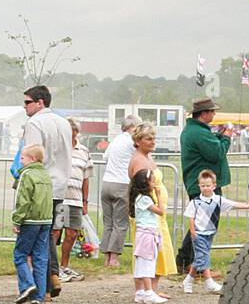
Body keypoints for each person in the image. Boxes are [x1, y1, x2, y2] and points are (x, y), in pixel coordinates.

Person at [21, 85, 72, 298]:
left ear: (40, 102)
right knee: (49, 232)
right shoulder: (64, 122)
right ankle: (52, 276)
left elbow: (33, 156)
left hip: (41, 184)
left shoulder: (35, 123)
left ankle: (48, 279)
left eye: (27, 102)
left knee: (38, 233)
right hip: (61, 184)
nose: (24, 106)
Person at [178, 97, 232, 271]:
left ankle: (187, 261)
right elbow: (216, 153)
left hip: (201, 184)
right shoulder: (198, 133)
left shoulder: (195, 130)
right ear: (204, 114)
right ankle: (192, 263)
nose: (214, 114)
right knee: (204, 227)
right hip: (204, 185)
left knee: (202, 224)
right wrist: (226, 139)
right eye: (212, 111)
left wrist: (218, 136)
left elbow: (209, 145)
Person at [183, 169, 249, 293]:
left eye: (208, 185)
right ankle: (209, 281)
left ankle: (188, 280)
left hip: (209, 233)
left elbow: (233, 204)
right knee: (203, 256)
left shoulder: (218, 200)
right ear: (199, 186)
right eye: (203, 186)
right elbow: (191, 217)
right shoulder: (195, 202)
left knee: (200, 257)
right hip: (199, 233)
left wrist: (248, 205)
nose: (205, 188)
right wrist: (193, 231)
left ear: (214, 186)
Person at [129, 124, 175, 291]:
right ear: (138, 141)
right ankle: (143, 288)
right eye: (149, 138)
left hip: (156, 209)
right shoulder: (139, 160)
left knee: (158, 248)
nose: (153, 141)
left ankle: (154, 287)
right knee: (146, 249)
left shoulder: (148, 158)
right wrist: (153, 204)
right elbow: (140, 186)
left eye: (154, 138)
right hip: (149, 211)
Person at [11, 144, 53, 304]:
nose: (20, 161)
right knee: (40, 258)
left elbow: (22, 200)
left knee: (20, 254)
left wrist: (17, 220)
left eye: (22, 158)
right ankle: (39, 295)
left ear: (32, 159)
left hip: (30, 220)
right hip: (45, 220)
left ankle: (27, 285)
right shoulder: (46, 175)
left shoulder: (26, 175)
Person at [100, 115, 139, 266]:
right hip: (122, 184)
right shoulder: (132, 142)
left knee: (108, 222)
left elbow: (105, 158)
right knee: (120, 222)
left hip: (106, 183)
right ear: (133, 128)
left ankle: (106, 258)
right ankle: (114, 258)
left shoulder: (115, 140)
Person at [57, 117, 93, 282]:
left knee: (72, 234)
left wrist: (85, 201)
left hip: (76, 199)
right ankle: (52, 267)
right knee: (55, 232)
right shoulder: (57, 149)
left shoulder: (83, 151)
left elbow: (86, 178)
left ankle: (64, 266)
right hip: (59, 198)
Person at [129, 168, 167, 304]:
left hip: (145, 233)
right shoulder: (145, 199)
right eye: (152, 181)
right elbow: (161, 212)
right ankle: (149, 292)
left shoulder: (139, 198)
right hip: (147, 234)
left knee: (141, 264)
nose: (154, 183)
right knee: (147, 263)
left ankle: (140, 292)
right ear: (146, 183)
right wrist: (158, 195)